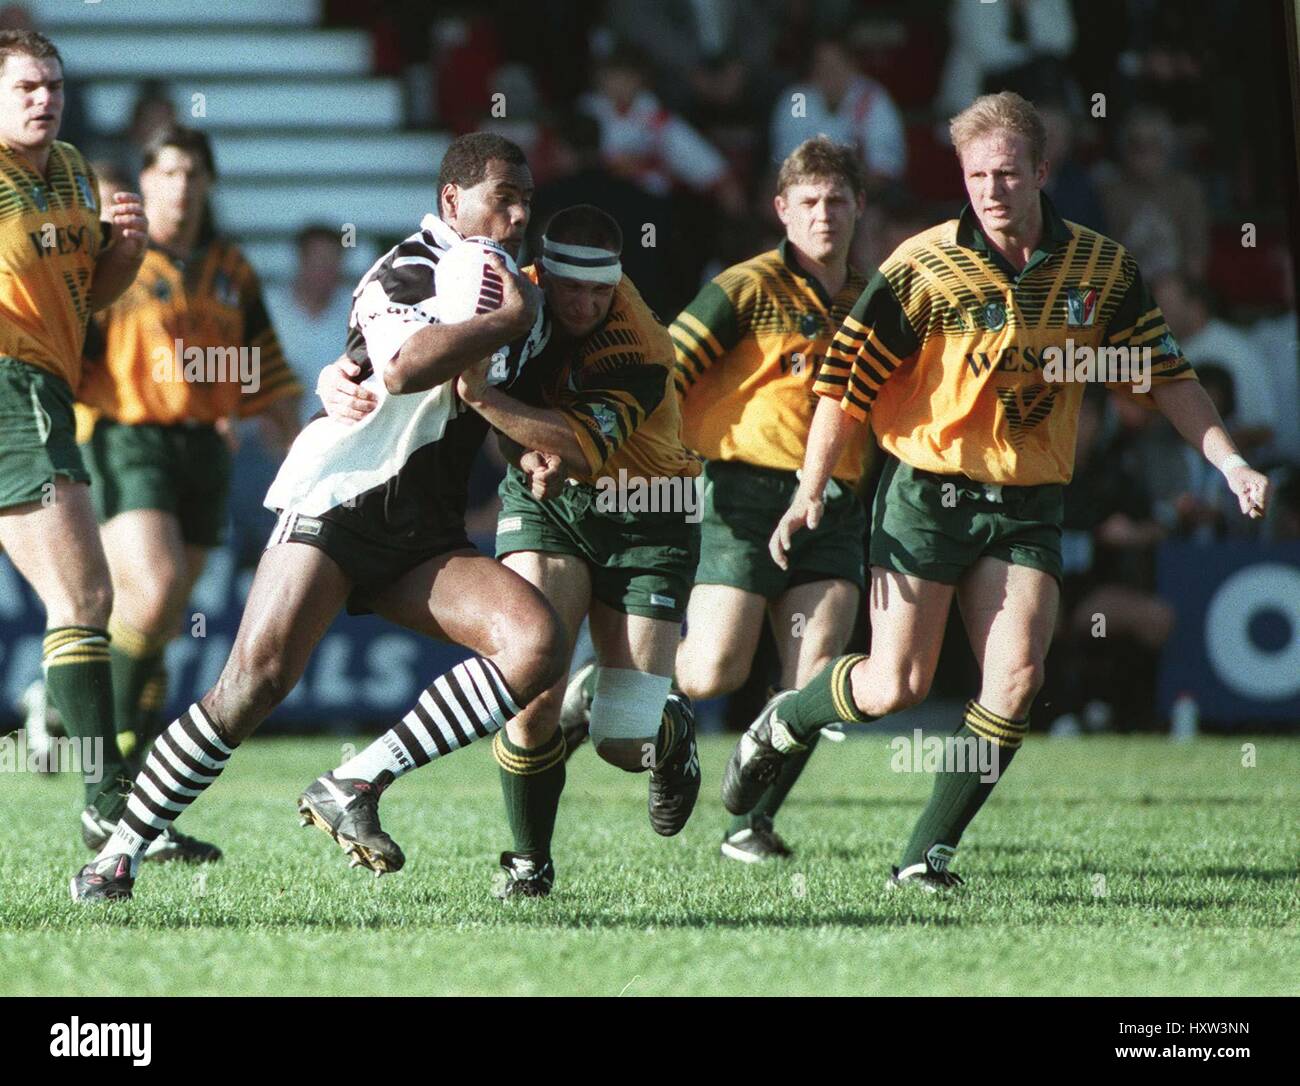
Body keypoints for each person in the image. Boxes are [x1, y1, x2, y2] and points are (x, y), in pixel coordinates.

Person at [722, 92, 1270, 892]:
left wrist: (1230, 462)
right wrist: (809, 490)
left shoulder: (1104, 269)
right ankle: (787, 717)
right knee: (894, 685)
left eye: (1008, 174)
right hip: (927, 494)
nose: (990, 189)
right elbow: (842, 386)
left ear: (1043, 172)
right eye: (976, 174)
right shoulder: (922, 266)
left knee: (1016, 680)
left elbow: (1167, 377)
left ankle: (924, 855)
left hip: (1027, 504)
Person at [71, 132, 567, 902]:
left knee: (535, 643)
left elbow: (478, 400)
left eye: (526, 200)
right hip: (340, 502)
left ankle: (357, 781)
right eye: (502, 197)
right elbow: (402, 369)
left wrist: (525, 442)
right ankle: (117, 854)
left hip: (422, 533)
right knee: (251, 685)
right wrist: (503, 323)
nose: (516, 214)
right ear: (450, 202)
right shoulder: (408, 268)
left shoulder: (516, 293)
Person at [317, 204, 703, 899]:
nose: (583, 304)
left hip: (651, 512)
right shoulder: (508, 291)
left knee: (622, 740)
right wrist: (336, 375)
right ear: (543, 273)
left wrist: (485, 398)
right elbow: (400, 328)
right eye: (570, 289)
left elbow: (581, 443)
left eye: (600, 291)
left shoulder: (643, 347)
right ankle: (529, 864)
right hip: (552, 507)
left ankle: (667, 727)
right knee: (528, 693)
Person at [74, 126, 302, 863]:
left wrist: (296, 439)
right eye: (166, 172)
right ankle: (101, 792)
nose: (179, 186)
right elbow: (66, 346)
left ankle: (133, 800)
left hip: (207, 446)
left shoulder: (233, 267)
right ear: (144, 182)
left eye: (192, 173)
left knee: (165, 615)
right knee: (155, 589)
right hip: (126, 435)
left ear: (208, 183)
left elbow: (265, 369)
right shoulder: (116, 261)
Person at [671, 136, 873, 863]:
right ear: (781, 209)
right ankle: (614, 682)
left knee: (812, 676)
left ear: (859, 208)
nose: (824, 215)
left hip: (837, 501)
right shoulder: (744, 287)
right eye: (809, 202)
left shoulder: (874, 298)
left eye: (838, 201)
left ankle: (749, 822)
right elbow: (666, 370)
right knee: (712, 673)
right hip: (744, 491)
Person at [0, 29, 147, 843]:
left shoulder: (70, 169)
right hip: (10, 385)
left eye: (51, 85)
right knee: (86, 597)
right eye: (24, 87)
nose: (43, 99)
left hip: (46, 388)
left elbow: (90, 295)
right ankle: (109, 802)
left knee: (81, 603)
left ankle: (99, 785)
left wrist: (126, 251)